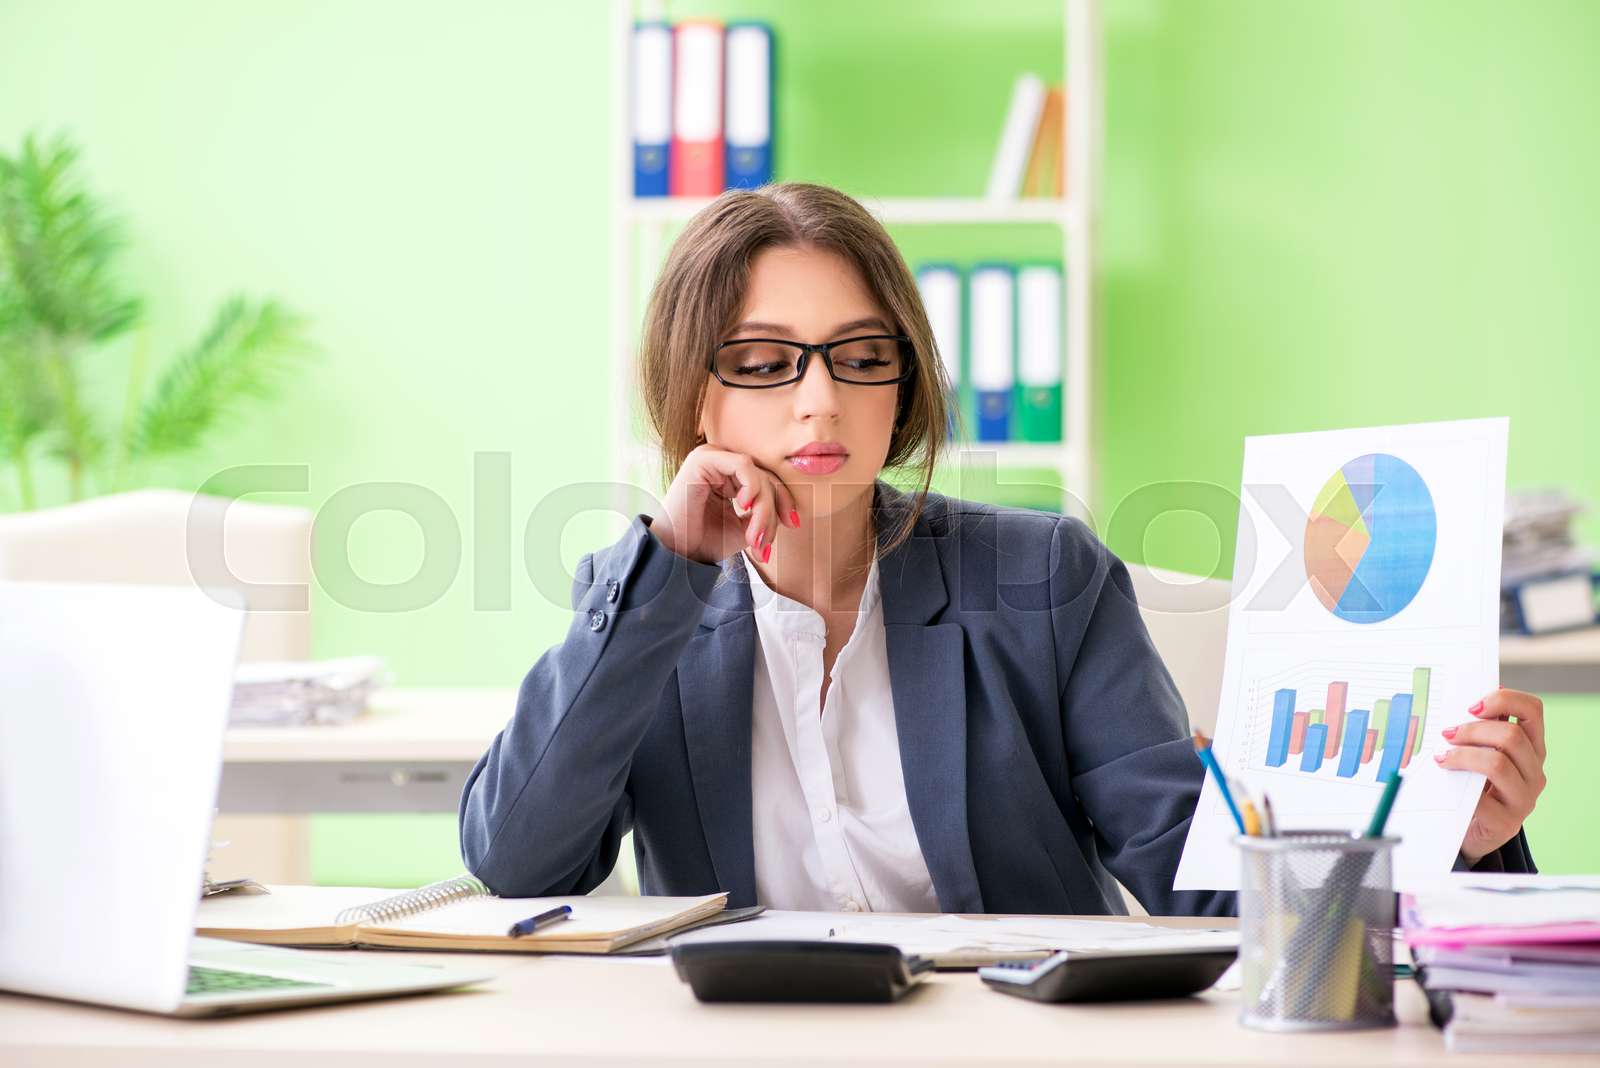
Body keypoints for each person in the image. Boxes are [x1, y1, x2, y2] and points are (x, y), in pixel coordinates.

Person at [460, 182, 1541, 916]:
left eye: (859, 355)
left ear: (905, 384)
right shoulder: (641, 602)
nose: (820, 400)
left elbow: (1191, 879)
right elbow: (519, 865)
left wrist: (1464, 843)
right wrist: (670, 572)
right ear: (697, 397)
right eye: (763, 361)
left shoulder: (1044, 578)